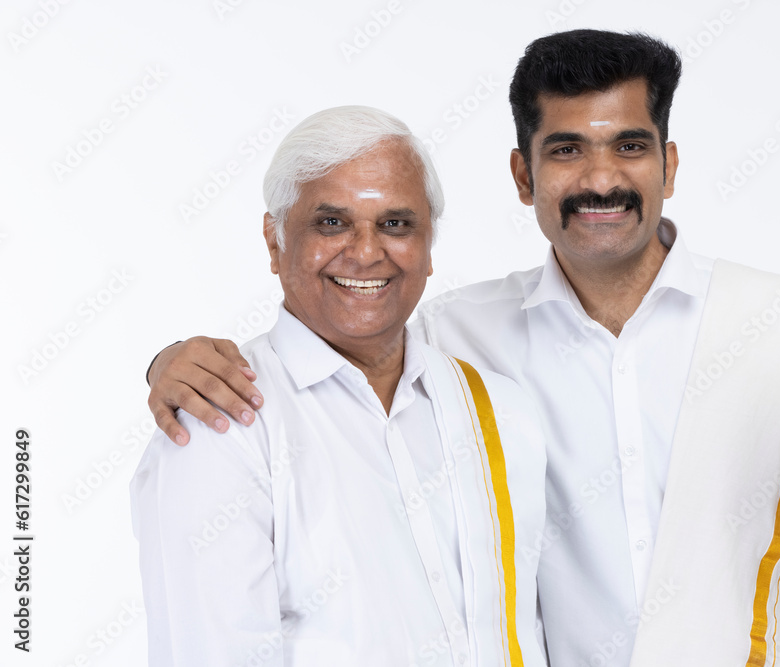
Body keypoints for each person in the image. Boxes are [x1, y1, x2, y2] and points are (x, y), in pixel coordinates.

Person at [143, 31, 780, 666]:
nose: (600, 179)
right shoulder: (454, 339)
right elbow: (339, 325)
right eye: (564, 151)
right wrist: (170, 362)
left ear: (670, 162)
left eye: (629, 146)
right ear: (523, 175)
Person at [130, 106, 549, 666]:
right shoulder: (222, 424)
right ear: (274, 241)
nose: (367, 252)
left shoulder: (499, 408)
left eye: (396, 224)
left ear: (428, 248)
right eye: (331, 223)